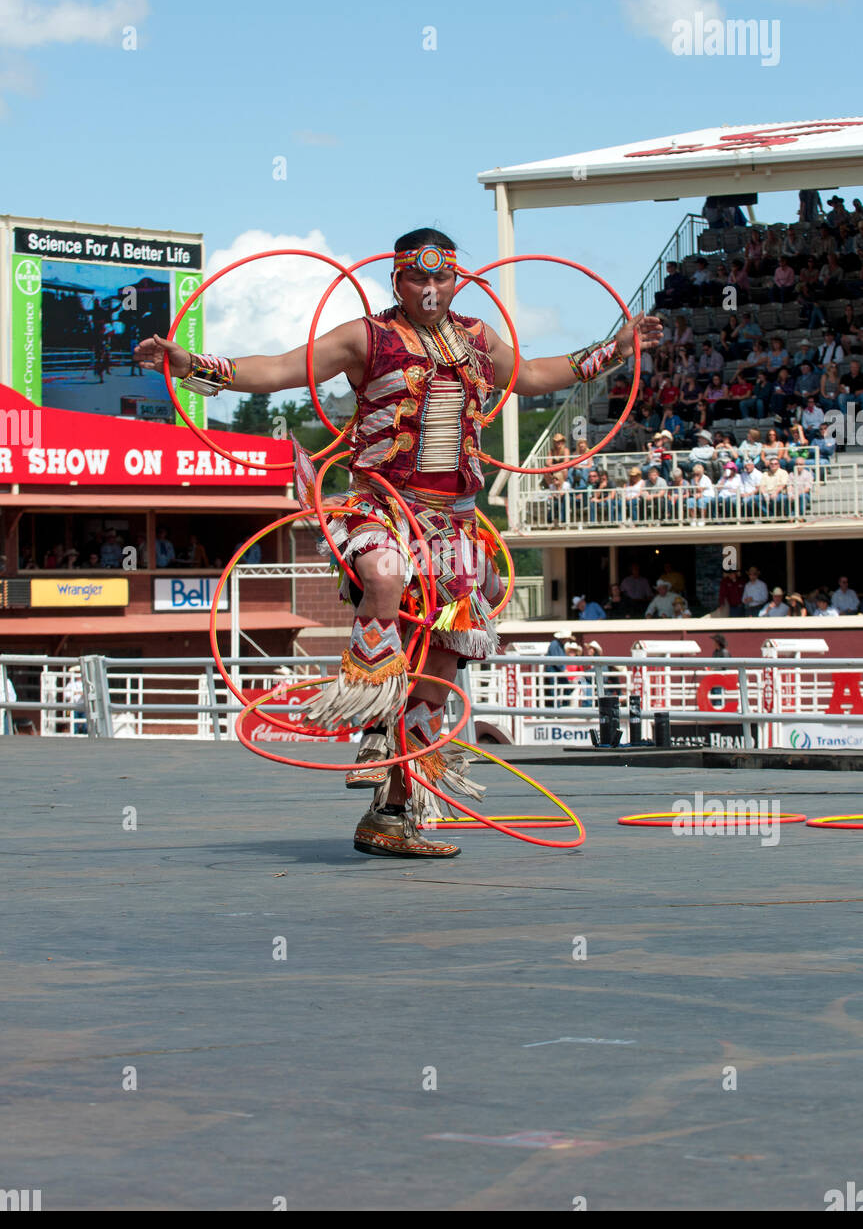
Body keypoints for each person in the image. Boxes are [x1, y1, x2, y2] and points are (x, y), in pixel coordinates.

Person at [133, 225, 662, 858]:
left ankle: (392, 808)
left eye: (442, 278)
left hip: (455, 522)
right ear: (398, 279)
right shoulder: (367, 337)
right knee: (385, 575)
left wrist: (617, 348)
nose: (432, 289)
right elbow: (276, 369)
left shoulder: (476, 338)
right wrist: (190, 365)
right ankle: (369, 723)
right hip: (381, 505)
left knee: (448, 650)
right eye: (419, 277)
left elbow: (539, 376)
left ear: (456, 278)